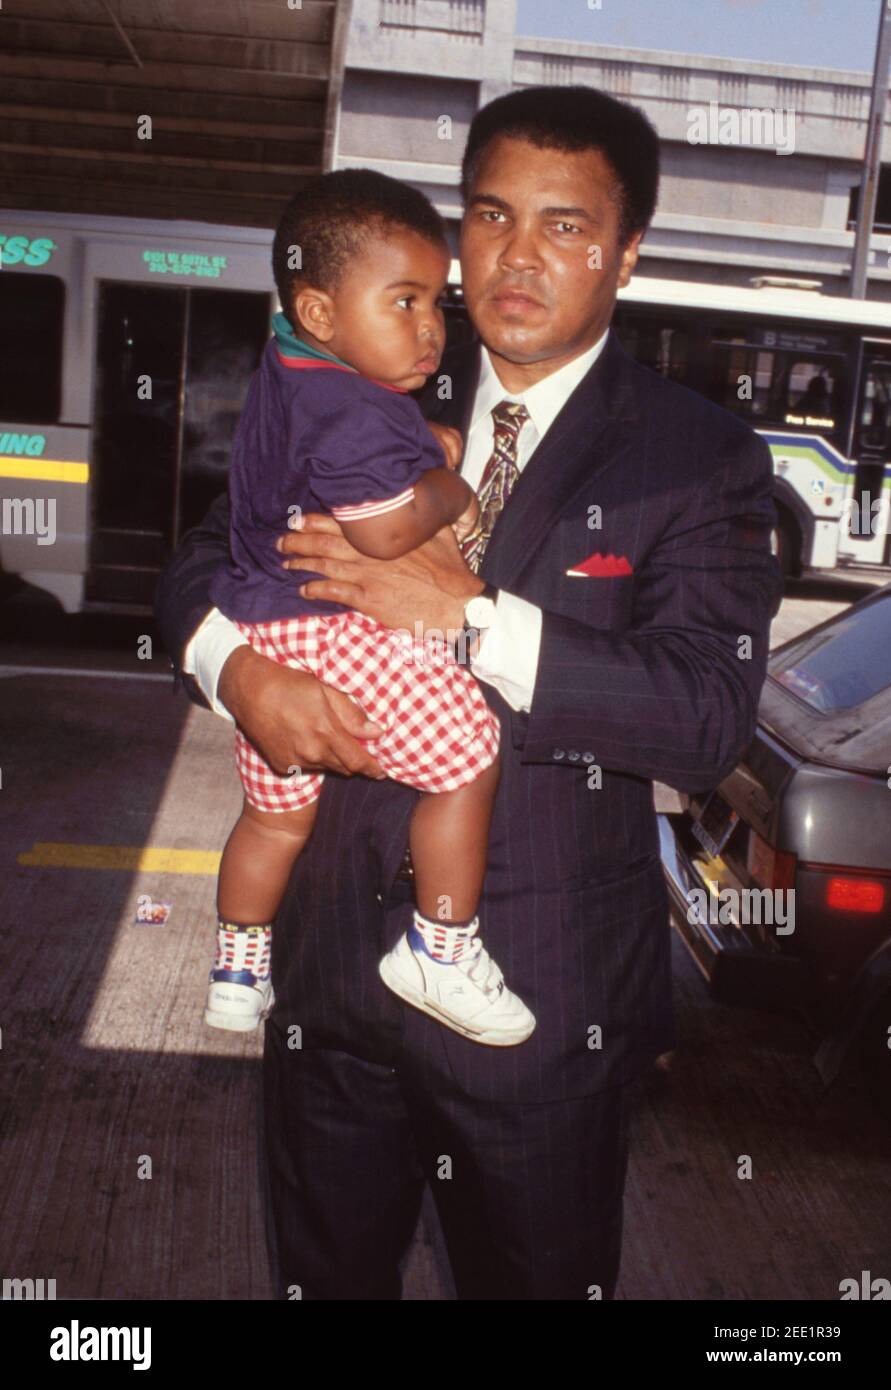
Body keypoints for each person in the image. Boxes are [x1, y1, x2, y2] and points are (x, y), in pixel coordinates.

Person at [156, 84, 782, 1300]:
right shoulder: (376, 376)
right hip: (332, 985)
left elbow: (706, 715)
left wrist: (474, 618)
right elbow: (202, 554)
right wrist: (236, 670)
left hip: (540, 1014)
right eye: (493, 216)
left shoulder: (696, 455)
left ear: (628, 250)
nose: (518, 255)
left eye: (566, 225)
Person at [204, 170, 534, 1048]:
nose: (431, 328)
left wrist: (418, 440)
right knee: (467, 756)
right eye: (404, 302)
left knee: (275, 816)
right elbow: (387, 536)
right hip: (328, 629)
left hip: (268, 619)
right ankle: (441, 942)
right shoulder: (356, 405)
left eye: (437, 303)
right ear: (320, 313)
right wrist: (448, 484)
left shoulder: (295, 366)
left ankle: (238, 965)